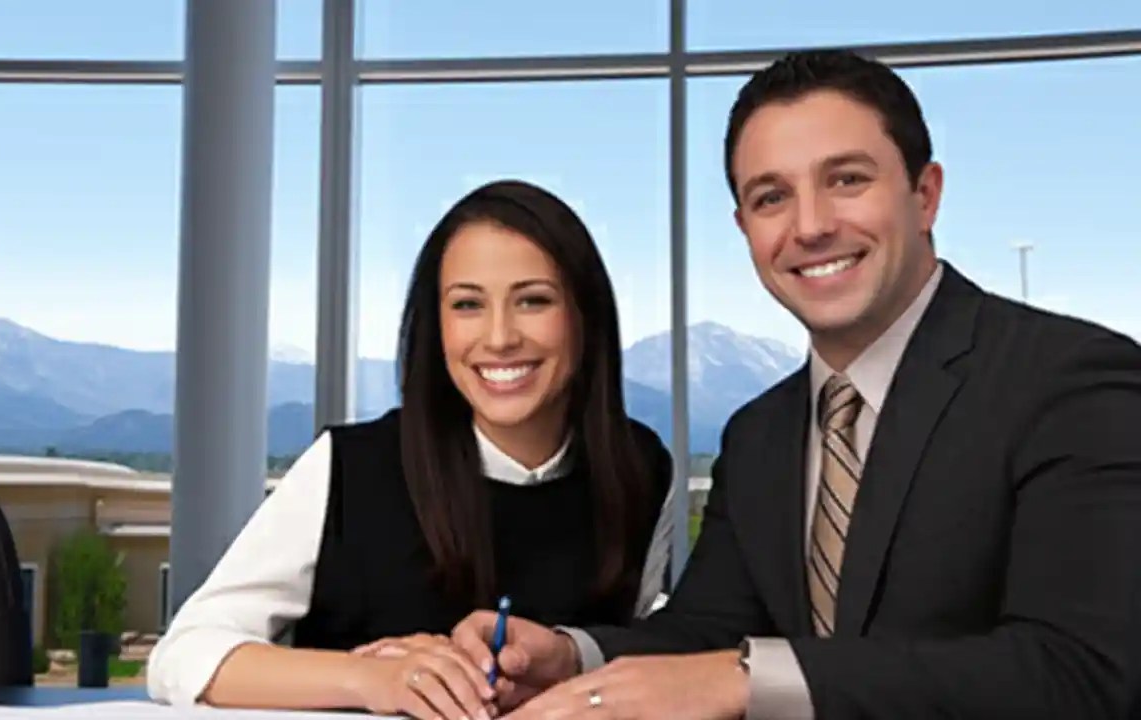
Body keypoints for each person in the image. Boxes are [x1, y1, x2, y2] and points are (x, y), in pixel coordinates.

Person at [452, 49, 1141, 719]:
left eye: (846, 180)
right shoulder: (759, 435)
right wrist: (571, 656)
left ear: (925, 195)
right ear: (744, 226)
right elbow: (707, 636)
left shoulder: (1073, 382)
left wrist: (747, 681)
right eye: (772, 196)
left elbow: (1081, 671)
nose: (810, 226)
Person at [146, 179, 676, 720]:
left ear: (586, 317)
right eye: (467, 304)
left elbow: (643, 654)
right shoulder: (350, 467)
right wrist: (367, 679)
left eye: (533, 301)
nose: (498, 337)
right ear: (435, 326)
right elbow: (182, 655)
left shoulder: (640, 467)